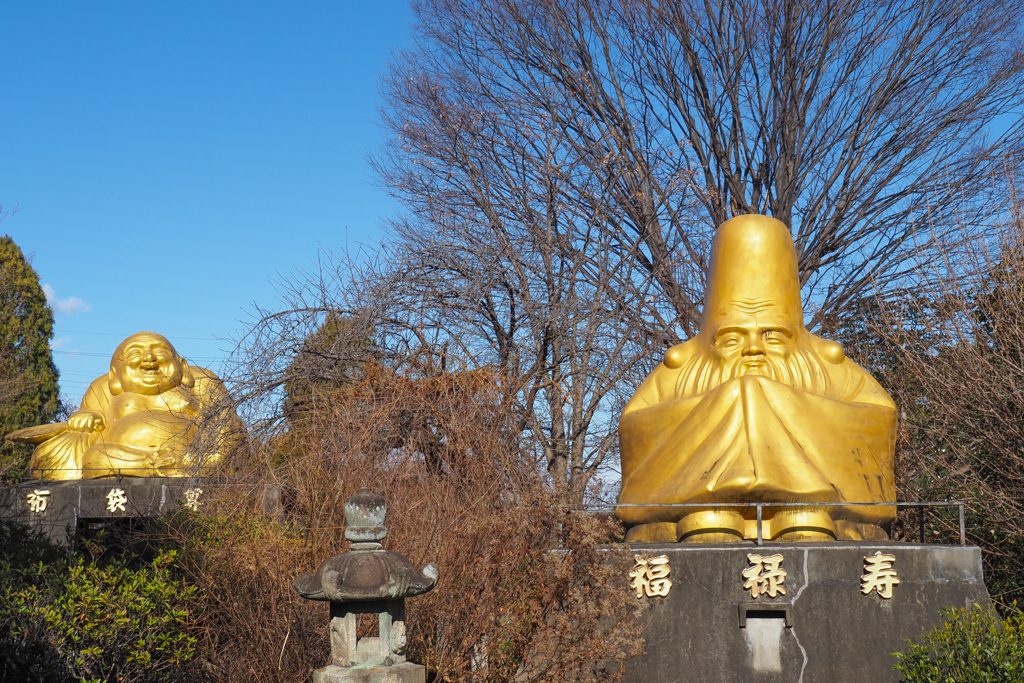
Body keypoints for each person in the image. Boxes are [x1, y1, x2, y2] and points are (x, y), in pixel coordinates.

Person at [617, 215, 896, 542]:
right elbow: (636, 428)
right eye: (733, 338)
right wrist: (725, 403)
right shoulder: (680, 369)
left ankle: (802, 505)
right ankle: (707, 506)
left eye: (773, 336)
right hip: (698, 514)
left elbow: (879, 419)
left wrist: (782, 402)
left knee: (749, 391)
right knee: (744, 392)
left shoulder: (827, 363)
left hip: (816, 513)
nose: (753, 349)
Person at [8, 332, 243, 479]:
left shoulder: (202, 381)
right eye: (135, 353)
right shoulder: (102, 387)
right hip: (124, 457)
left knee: (229, 442)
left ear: (182, 365)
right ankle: (157, 466)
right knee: (90, 457)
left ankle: (180, 465)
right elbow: (89, 424)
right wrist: (85, 418)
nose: (149, 358)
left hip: (194, 455)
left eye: (159, 351)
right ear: (114, 375)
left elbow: (227, 422)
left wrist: (217, 457)